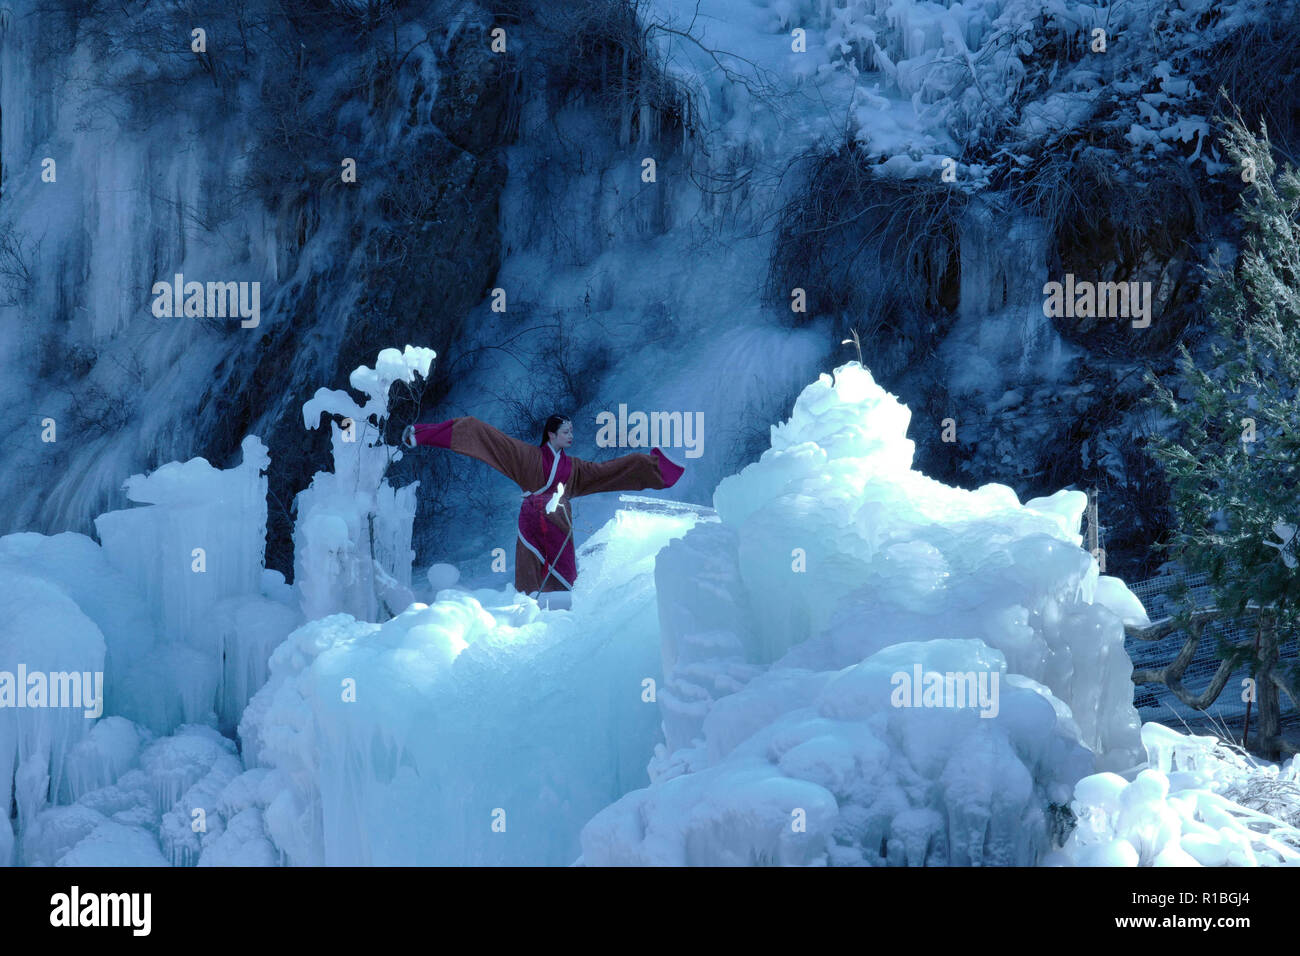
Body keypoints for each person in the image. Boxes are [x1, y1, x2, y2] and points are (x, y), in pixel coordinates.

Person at [403, 414, 684, 608]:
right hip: (532, 522)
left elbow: (606, 473)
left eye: (572, 432)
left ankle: (561, 619)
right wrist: (421, 435)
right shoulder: (527, 457)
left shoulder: (572, 468)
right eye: (565, 432)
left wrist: (642, 463)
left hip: (560, 522)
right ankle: (528, 615)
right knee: (530, 576)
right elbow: (481, 433)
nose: (571, 436)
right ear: (551, 434)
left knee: (564, 576)